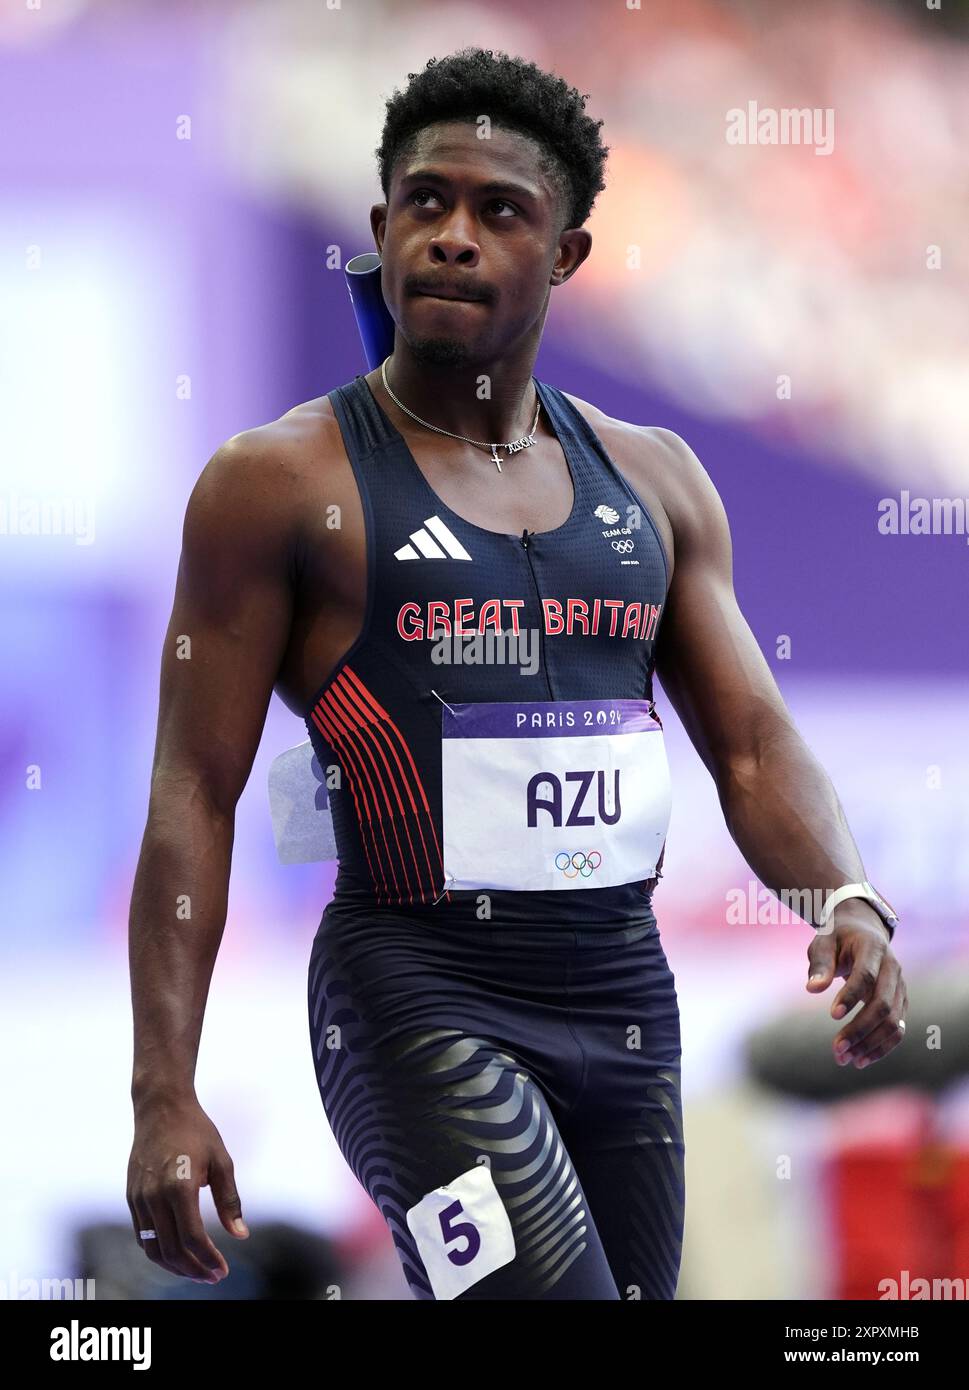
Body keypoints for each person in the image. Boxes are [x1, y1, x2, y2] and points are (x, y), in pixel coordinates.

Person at [127, 47, 907, 1300]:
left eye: (501, 211)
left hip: (624, 1007)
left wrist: (847, 900)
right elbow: (192, 795)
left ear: (569, 257)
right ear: (380, 228)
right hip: (414, 1001)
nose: (451, 235)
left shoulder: (654, 480)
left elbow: (752, 743)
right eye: (424, 203)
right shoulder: (281, 483)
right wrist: (165, 1086)